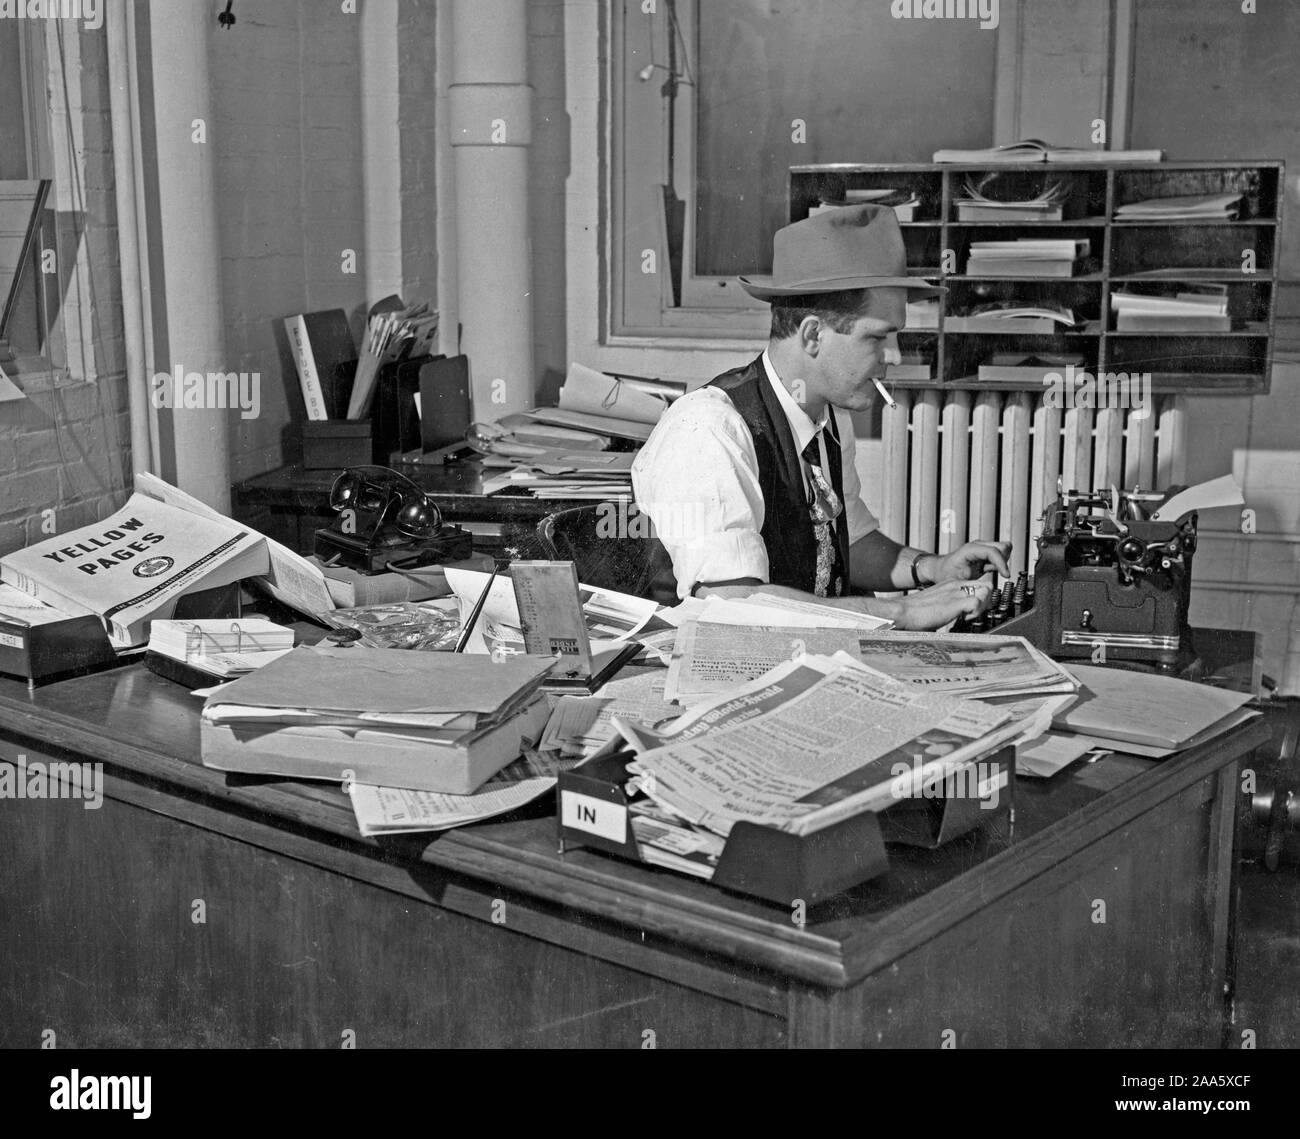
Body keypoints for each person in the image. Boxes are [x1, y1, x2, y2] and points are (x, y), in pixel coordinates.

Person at [631, 203, 1008, 630]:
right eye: (879, 337)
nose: (895, 357)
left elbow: (848, 543)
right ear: (813, 334)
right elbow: (732, 605)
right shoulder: (709, 429)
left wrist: (931, 568)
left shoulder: (826, 415)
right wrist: (902, 612)